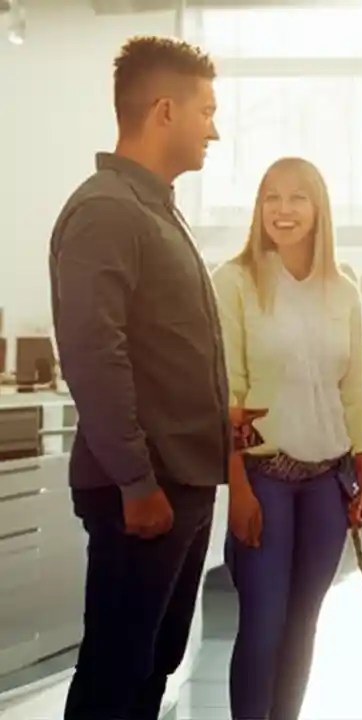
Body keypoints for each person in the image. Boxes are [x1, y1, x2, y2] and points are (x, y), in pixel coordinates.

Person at [48, 36, 226, 720]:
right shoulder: (107, 211)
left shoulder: (154, 207)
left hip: (178, 481)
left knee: (152, 665)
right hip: (143, 491)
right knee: (116, 676)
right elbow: (94, 354)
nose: (215, 127)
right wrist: (135, 480)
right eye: (205, 110)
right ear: (163, 111)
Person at [210, 156, 362, 720]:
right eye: (271, 198)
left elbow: (354, 387)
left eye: (297, 197)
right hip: (265, 477)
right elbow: (228, 394)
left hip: (328, 481)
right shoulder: (234, 281)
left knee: (304, 622)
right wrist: (239, 488)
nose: (283, 210)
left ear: (318, 207)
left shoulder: (343, 288)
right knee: (263, 623)